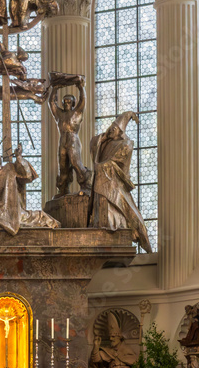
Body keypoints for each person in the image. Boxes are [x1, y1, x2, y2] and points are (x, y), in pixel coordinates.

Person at [89, 111, 152, 252]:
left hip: (115, 181)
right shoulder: (104, 142)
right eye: (111, 126)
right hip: (103, 178)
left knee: (126, 208)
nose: (111, 129)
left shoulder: (126, 144)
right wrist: (103, 138)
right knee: (100, 182)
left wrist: (102, 166)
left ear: (120, 131)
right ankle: (101, 224)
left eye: (115, 128)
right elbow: (94, 143)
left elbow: (117, 162)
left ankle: (115, 225)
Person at [0, 146, 59, 235]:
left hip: (12, 207)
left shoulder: (10, 167)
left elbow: (26, 175)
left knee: (31, 217)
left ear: (1, 159)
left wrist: (18, 156)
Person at [48, 76, 92, 196]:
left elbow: (83, 100)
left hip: (73, 139)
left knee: (75, 163)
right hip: (63, 140)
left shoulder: (77, 112)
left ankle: (86, 186)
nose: (67, 103)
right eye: (65, 101)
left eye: (69, 101)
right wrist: (55, 88)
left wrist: (81, 87)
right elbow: (51, 102)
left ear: (73, 103)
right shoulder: (59, 114)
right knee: (63, 166)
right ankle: (63, 189)